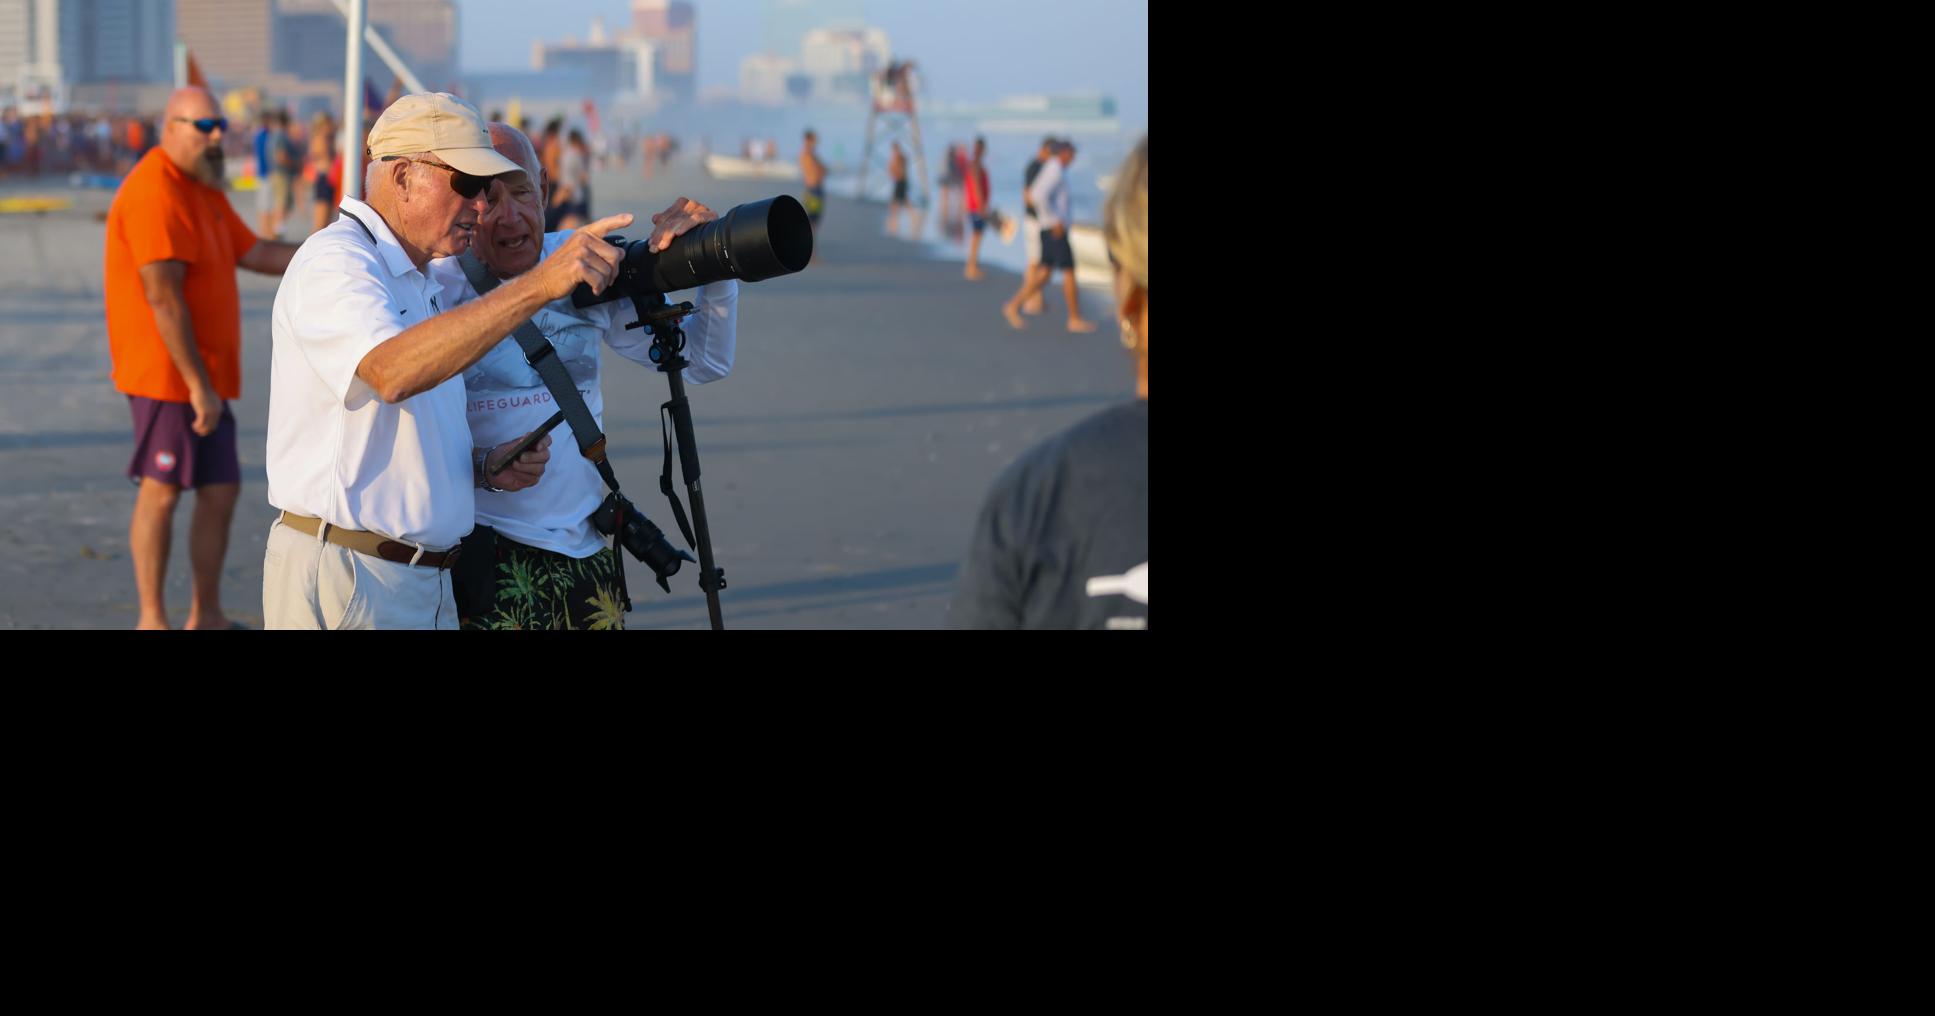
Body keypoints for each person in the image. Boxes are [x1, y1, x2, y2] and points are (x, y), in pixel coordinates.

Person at [261, 92, 632, 629]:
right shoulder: (337, 261)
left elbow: (406, 433)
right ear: (404, 176)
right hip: (355, 575)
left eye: (489, 189)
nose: (482, 206)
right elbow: (391, 372)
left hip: (417, 579)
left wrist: (483, 466)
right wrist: (542, 283)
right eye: (468, 184)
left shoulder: (420, 277)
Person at [426, 123, 739, 630]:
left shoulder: (584, 260)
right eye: (489, 197)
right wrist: (481, 464)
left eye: (522, 192)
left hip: (586, 553)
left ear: (546, 189)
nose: (510, 216)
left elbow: (704, 363)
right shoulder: (434, 288)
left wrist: (713, 263)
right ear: (464, 206)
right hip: (481, 558)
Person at [104, 87, 303, 630]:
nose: (218, 135)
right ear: (170, 127)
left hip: (206, 375)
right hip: (169, 376)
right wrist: (196, 385)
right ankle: (151, 619)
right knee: (162, 490)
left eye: (220, 125)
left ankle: (207, 616)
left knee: (220, 489)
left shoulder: (203, 189)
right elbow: (162, 297)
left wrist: (334, 249)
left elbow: (257, 252)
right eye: (205, 125)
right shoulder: (154, 191)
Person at [951, 136, 1148, 630]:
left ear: (1129, 299)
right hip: (1047, 228)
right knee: (1052, 273)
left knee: (1053, 274)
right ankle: (1029, 304)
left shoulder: (1042, 496)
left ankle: (1029, 304)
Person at [1002, 139, 1097, 333]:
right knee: (1069, 272)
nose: (1073, 159)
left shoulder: (1054, 169)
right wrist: (1054, 220)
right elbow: (1036, 195)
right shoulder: (1054, 169)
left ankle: (1014, 305)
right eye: (1072, 155)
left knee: (1044, 274)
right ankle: (1074, 318)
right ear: (1063, 153)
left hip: (1049, 229)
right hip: (1054, 231)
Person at [1020, 136, 1055, 315]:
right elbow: (1027, 195)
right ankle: (1029, 301)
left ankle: (1036, 298)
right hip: (1033, 220)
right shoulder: (1035, 167)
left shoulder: (1043, 167)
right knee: (1034, 262)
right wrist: (1044, 212)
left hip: (1038, 220)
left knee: (1040, 261)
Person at [963, 136, 992, 280]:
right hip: (976, 206)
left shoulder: (976, 163)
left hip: (976, 205)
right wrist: (981, 205)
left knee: (978, 235)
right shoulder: (975, 164)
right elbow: (975, 185)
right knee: (977, 235)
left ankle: (973, 265)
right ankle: (971, 267)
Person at [800, 128, 826, 243]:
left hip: (816, 189)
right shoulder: (806, 154)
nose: (816, 142)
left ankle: (813, 252)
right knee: (811, 222)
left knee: (814, 222)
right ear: (808, 140)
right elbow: (815, 172)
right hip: (813, 189)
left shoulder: (812, 155)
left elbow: (823, 170)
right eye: (814, 140)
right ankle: (812, 252)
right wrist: (820, 170)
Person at [886, 139, 909, 237]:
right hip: (899, 180)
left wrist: (894, 171)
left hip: (901, 181)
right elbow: (891, 169)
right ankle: (894, 219)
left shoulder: (900, 156)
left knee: (899, 200)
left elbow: (899, 168)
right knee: (897, 200)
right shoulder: (896, 156)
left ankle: (895, 220)